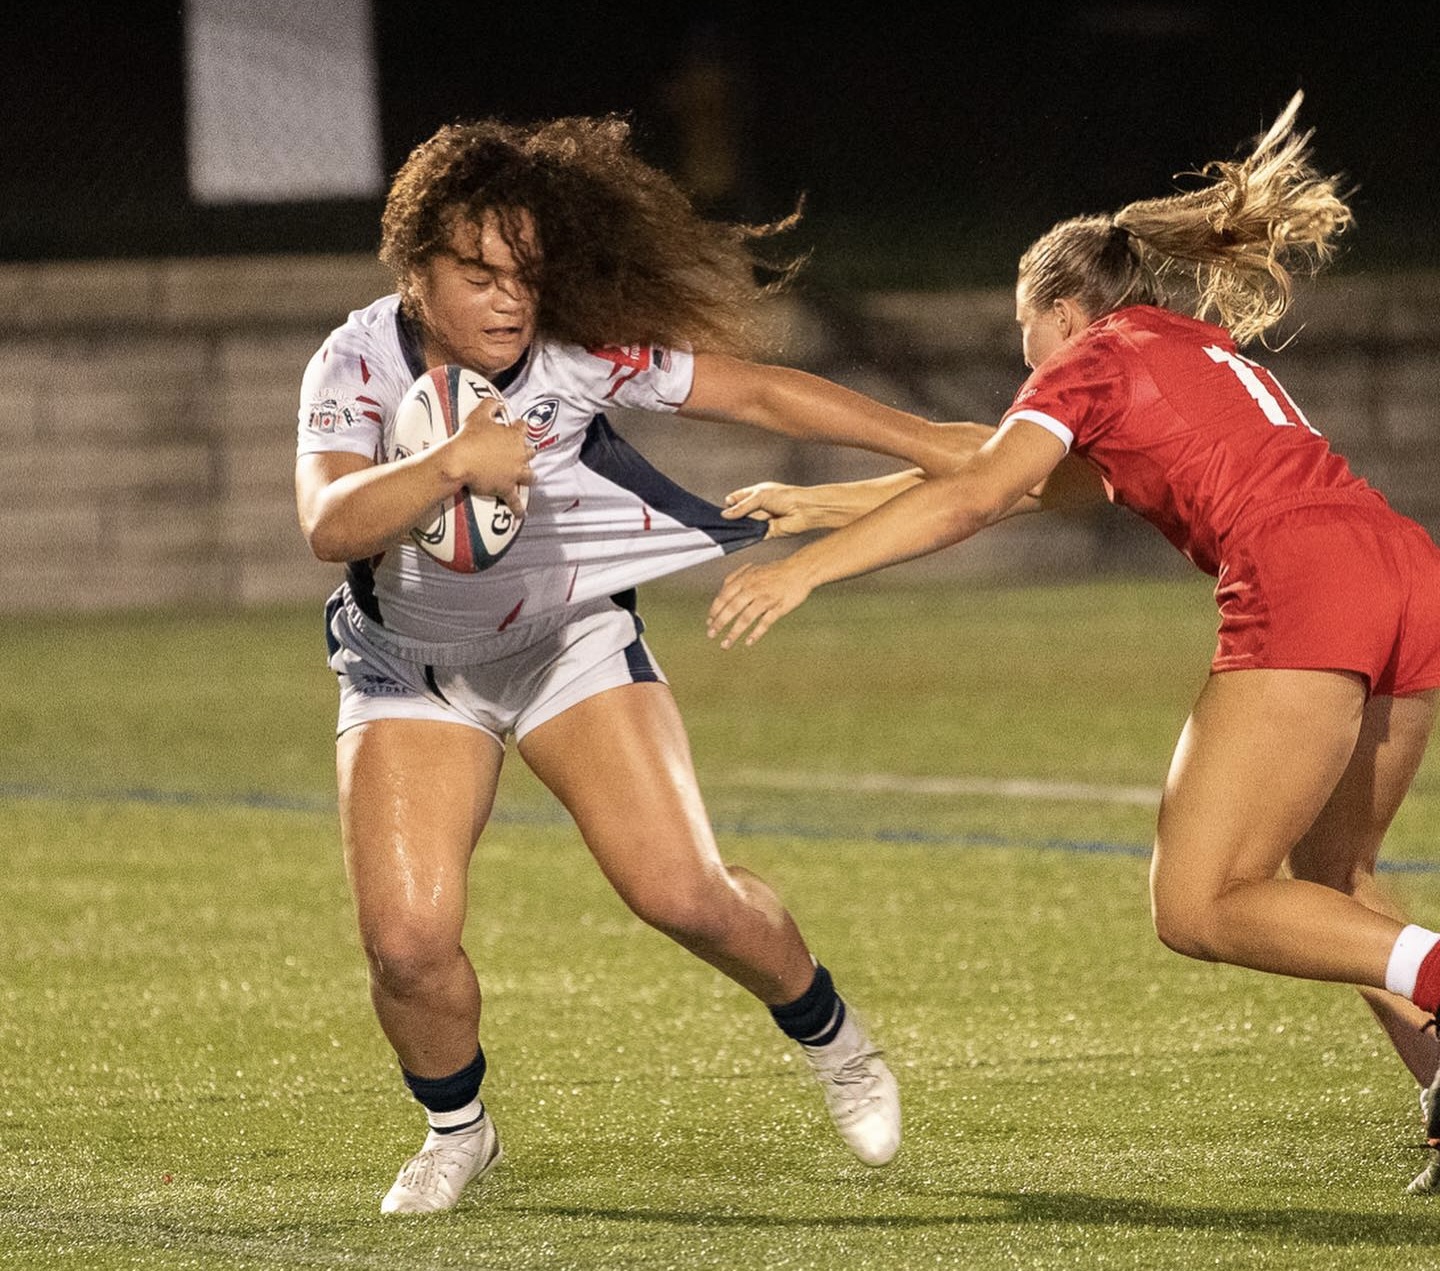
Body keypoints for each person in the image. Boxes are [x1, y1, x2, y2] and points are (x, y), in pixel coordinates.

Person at [705, 92, 1440, 1193]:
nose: (1025, 353)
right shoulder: (1185, 347)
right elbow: (1015, 478)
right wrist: (821, 507)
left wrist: (808, 569)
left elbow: (977, 491)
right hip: (1403, 567)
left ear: (1059, 308)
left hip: (1306, 581)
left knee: (1199, 902)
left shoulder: (1092, 357)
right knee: (1333, 878)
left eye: (1024, 328)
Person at [295, 114, 986, 1215]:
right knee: (406, 944)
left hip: (565, 640)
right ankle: (459, 1131)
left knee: (684, 894)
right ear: (415, 270)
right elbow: (330, 523)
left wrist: (932, 442)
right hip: (409, 667)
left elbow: (758, 392)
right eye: (478, 275)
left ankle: (834, 1037)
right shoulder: (356, 361)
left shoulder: (575, 351)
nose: (510, 302)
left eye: (526, 274)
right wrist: (452, 462)